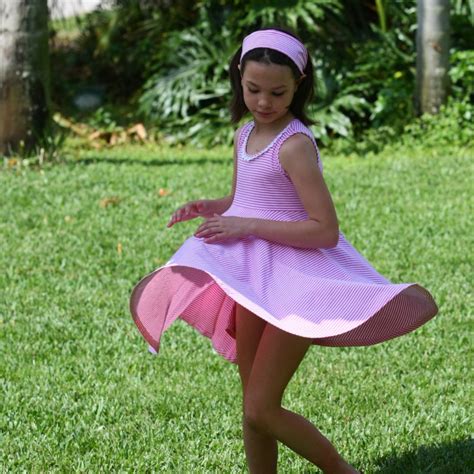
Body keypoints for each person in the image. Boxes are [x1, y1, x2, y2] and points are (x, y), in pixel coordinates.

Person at [130, 26, 438, 474]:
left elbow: (324, 230)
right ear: (239, 76)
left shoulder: (293, 146)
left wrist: (245, 225)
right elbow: (247, 198)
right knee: (251, 407)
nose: (263, 102)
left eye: (277, 92)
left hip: (298, 283)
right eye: (253, 89)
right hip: (255, 279)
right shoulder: (243, 136)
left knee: (261, 408)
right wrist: (214, 206)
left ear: (299, 85)